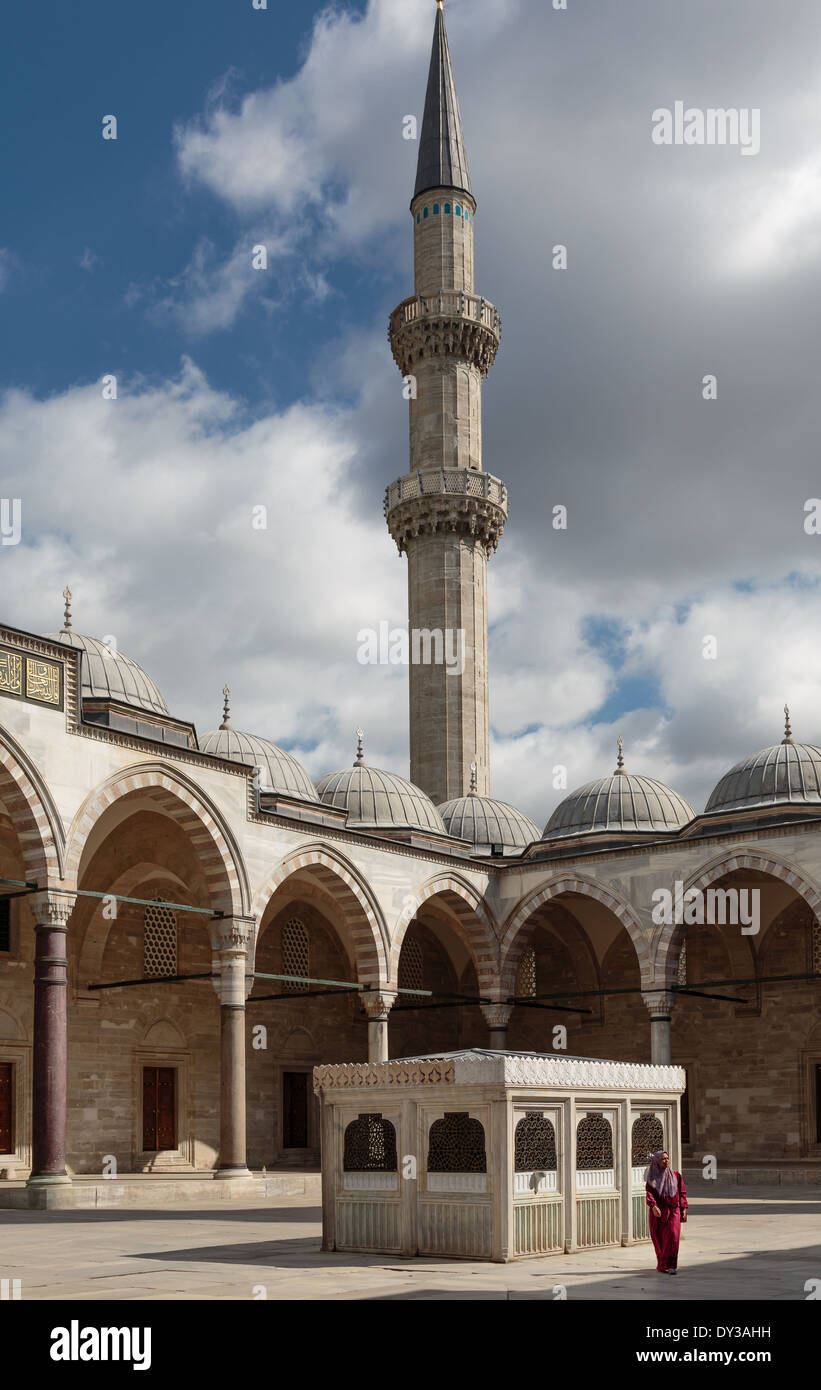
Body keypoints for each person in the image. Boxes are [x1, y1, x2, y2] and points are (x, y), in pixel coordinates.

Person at [646, 1149, 687, 1274]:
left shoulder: (675, 1175)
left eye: (667, 1158)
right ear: (657, 1161)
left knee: (673, 1237)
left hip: (674, 1211)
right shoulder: (652, 1177)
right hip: (659, 1213)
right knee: (660, 1239)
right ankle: (662, 1264)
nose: (666, 1161)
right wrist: (653, 1206)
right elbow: (649, 1193)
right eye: (663, 1159)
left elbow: (682, 1192)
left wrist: (683, 1207)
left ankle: (671, 1265)